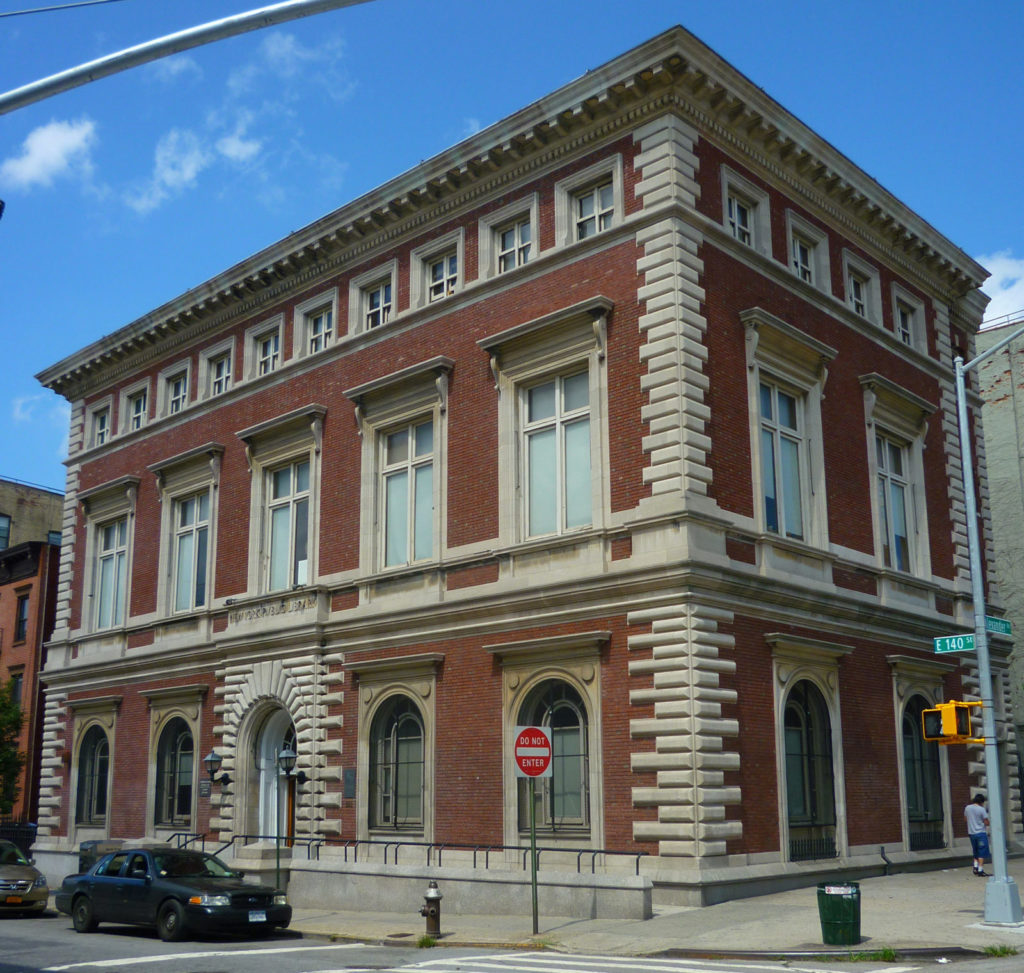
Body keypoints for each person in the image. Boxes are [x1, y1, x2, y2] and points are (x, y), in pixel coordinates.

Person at [965, 794, 990, 876]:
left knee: (975, 850)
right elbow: (986, 822)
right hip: (980, 833)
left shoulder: (967, 808)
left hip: (971, 833)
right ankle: (980, 869)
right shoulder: (981, 809)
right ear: (981, 802)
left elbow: (965, 819)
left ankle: (975, 867)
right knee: (982, 851)